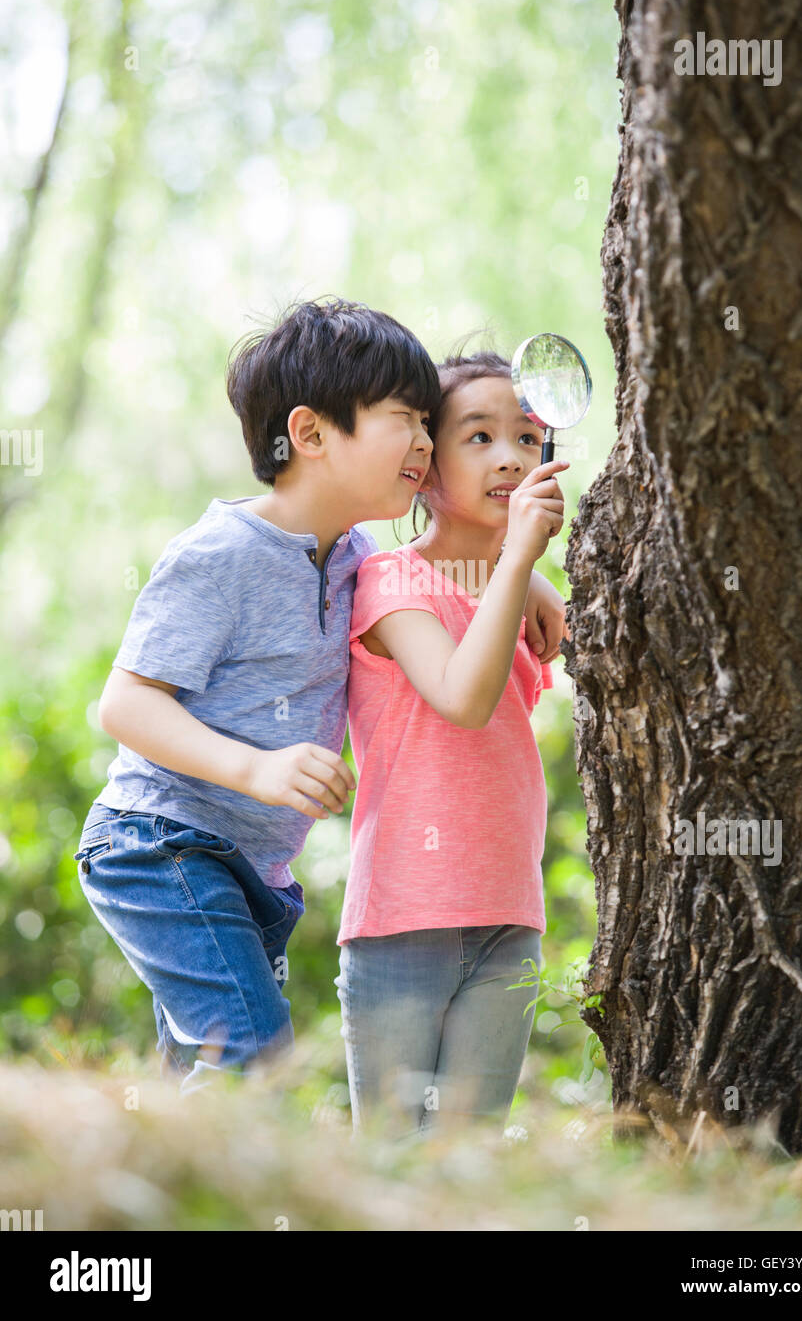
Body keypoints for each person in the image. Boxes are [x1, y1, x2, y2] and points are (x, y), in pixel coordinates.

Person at [73, 301, 566, 1094]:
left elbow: (438, 562)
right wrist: (257, 770)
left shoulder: (358, 556)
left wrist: (525, 569)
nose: (421, 442)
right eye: (405, 419)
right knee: (251, 1052)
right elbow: (125, 706)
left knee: (205, 1068)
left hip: (257, 868)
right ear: (309, 434)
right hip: (161, 843)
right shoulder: (223, 551)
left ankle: (170, 1200)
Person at [335, 347, 569, 1137]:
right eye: (478, 437)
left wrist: (524, 570)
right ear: (426, 467)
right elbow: (464, 698)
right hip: (404, 920)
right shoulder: (391, 583)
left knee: (468, 1169)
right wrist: (521, 563)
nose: (510, 457)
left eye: (529, 438)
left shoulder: (530, 599)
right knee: (396, 1169)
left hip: (510, 916)